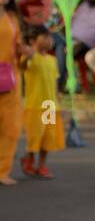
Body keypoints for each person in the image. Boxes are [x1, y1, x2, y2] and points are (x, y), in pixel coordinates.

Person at [18, 24, 64, 178]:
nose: (49, 40)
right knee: (35, 136)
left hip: (50, 106)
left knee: (48, 137)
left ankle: (42, 165)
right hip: (35, 106)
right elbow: (23, 64)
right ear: (32, 40)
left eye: (49, 37)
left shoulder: (52, 60)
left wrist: (58, 100)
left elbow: (55, 83)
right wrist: (28, 52)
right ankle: (29, 159)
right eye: (44, 37)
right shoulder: (29, 57)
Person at [0, 0, 26, 186]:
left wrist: (26, 52)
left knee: (11, 127)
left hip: (9, 80)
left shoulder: (12, 18)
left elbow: (17, 48)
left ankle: (3, 170)